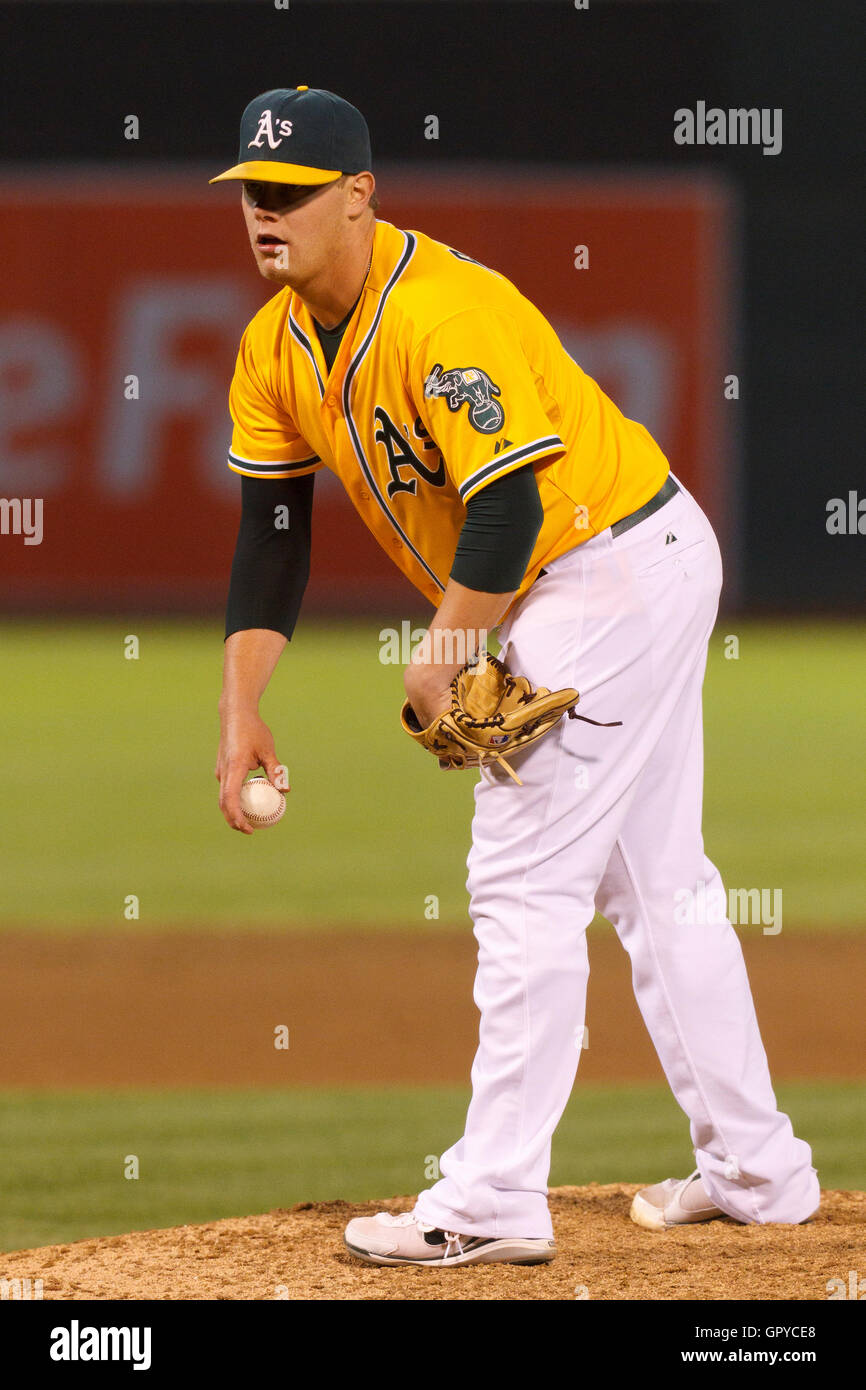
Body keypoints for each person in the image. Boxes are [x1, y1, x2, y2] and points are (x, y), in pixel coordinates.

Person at [212, 86, 820, 1268]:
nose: (265, 215)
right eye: (251, 194)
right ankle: (758, 1167)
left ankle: (489, 1198)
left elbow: (507, 506)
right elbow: (271, 537)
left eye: (290, 193)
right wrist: (242, 704)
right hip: (594, 572)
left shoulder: (443, 315)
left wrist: (438, 655)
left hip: (604, 566)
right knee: (659, 885)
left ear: (358, 196)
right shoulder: (270, 347)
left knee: (521, 875)